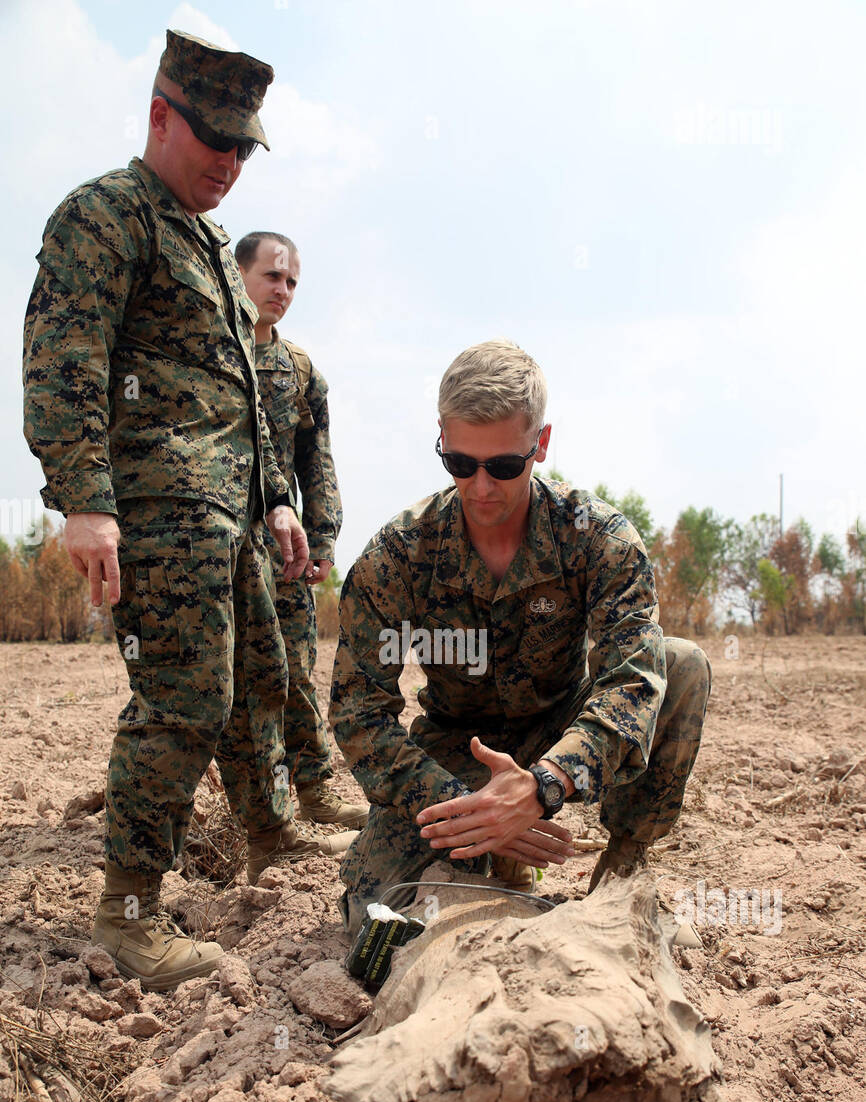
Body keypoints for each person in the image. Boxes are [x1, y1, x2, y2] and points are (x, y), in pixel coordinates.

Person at [22, 29, 354, 992]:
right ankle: (129, 914)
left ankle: (268, 828)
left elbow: (240, 386)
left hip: (230, 514)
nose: (229, 163)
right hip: (157, 509)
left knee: (259, 679)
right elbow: (62, 359)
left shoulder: (209, 242)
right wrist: (85, 501)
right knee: (181, 702)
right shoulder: (105, 215)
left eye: (246, 148)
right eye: (214, 139)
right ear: (160, 115)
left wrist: (275, 501)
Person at [330, 339, 712, 937]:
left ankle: (623, 866)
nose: (481, 486)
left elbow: (631, 681)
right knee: (372, 918)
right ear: (441, 437)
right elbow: (359, 714)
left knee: (680, 663)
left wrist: (544, 785)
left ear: (542, 442)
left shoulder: (598, 539)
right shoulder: (398, 555)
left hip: (561, 726)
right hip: (458, 745)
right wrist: (470, 807)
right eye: (460, 463)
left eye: (505, 466)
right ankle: (495, 858)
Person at [230, 230, 367, 832]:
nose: (282, 291)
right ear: (236, 274)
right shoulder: (206, 355)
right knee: (230, 677)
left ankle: (312, 791)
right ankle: (258, 809)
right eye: (271, 277)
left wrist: (325, 535)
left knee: (294, 671)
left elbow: (318, 461)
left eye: (291, 282)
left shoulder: (299, 370)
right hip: (219, 542)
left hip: (284, 548)